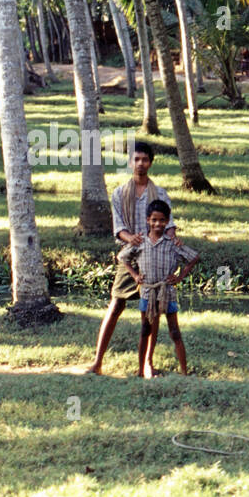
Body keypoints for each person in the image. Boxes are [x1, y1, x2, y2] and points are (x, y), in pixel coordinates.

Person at [86, 141, 181, 374]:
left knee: (151, 312)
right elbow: (118, 228)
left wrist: (172, 241)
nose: (140, 164)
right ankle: (97, 362)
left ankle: (148, 363)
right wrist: (132, 239)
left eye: (145, 159)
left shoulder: (160, 194)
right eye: (136, 159)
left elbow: (169, 225)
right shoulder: (119, 193)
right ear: (130, 162)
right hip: (131, 257)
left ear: (151, 163)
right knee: (116, 304)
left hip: (155, 257)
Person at [118, 200, 199, 378]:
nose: (158, 224)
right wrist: (135, 276)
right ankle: (141, 371)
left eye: (162, 220)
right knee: (145, 330)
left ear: (167, 221)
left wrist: (179, 277)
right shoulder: (140, 242)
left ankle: (184, 372)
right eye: (154, 220)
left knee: (174, 331)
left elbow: (193, 258)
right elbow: (122, 257)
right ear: (148, 220)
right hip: (147, 292)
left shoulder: (172, 244)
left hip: (167, 292)